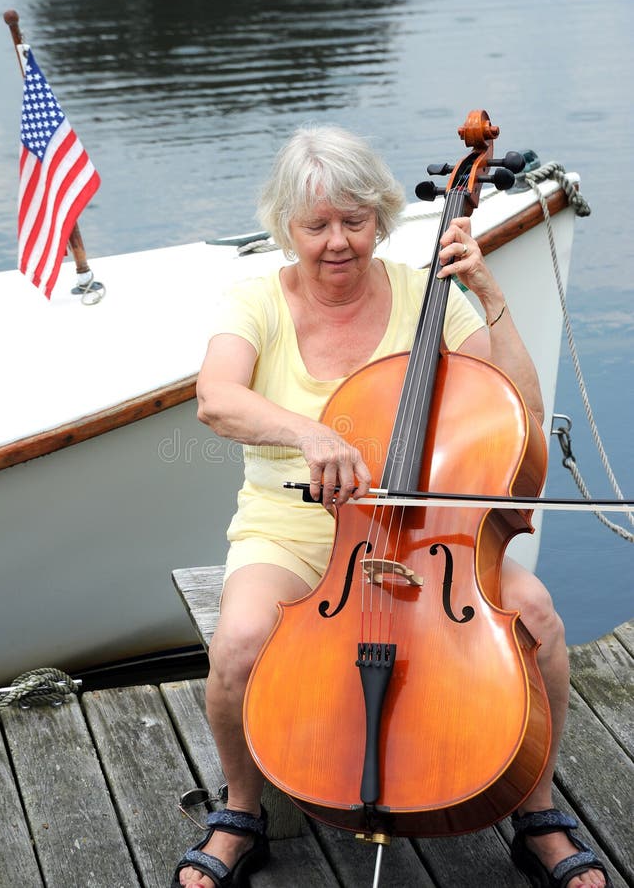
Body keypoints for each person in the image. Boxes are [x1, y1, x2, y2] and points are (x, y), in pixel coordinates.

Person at [174, 126, 610, 888]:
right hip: (293, 532)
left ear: (380, 217)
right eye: (316, 226)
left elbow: (519, 418)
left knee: (538, 621)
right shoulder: (256, 302)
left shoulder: (421, 296)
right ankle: (241, 810)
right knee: (240, 642)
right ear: (286, 228)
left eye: (355, 220)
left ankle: (535, 812)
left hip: (423, 538)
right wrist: (309, 434)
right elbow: (217, 399)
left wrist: (489, 292)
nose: (336, 242)